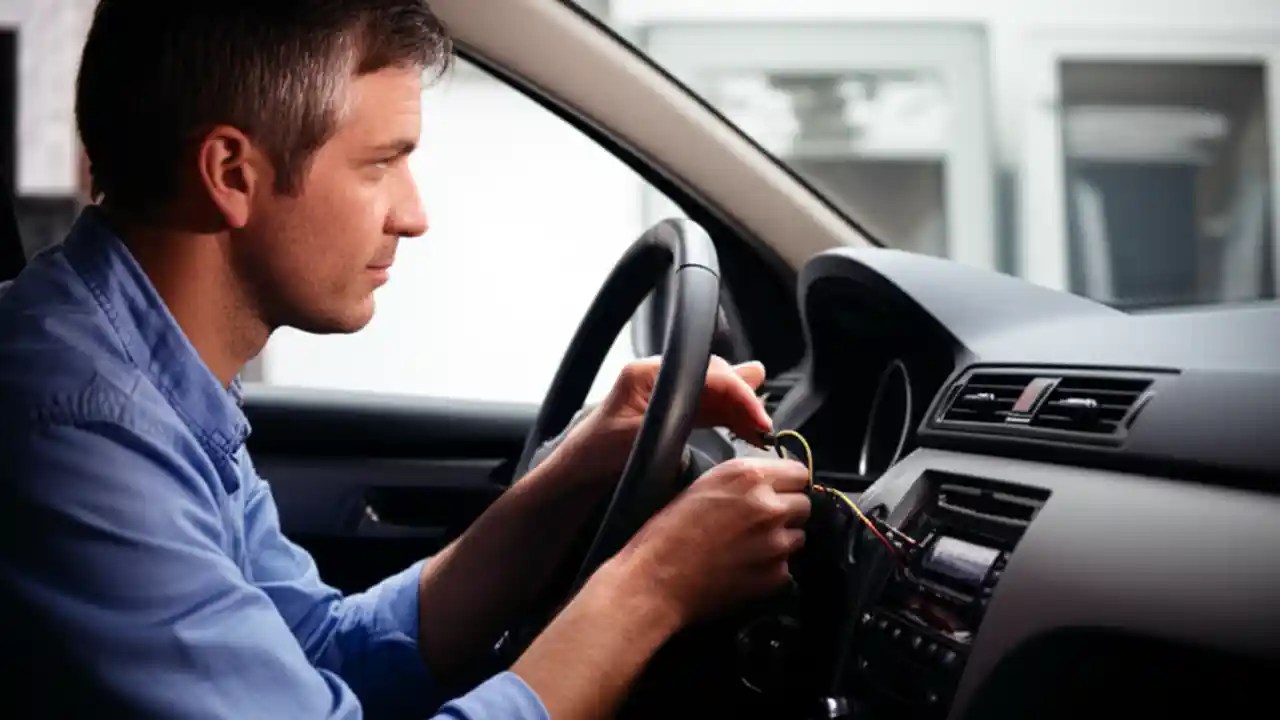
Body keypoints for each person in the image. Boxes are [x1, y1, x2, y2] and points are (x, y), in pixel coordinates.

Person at [0, 2, 812, 718]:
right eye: (380, 163)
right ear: (230, 174)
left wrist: (577, 470)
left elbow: (324, 648)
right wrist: (653, 588)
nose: (413, 214)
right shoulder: (79, 429)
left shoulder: (151, 374)